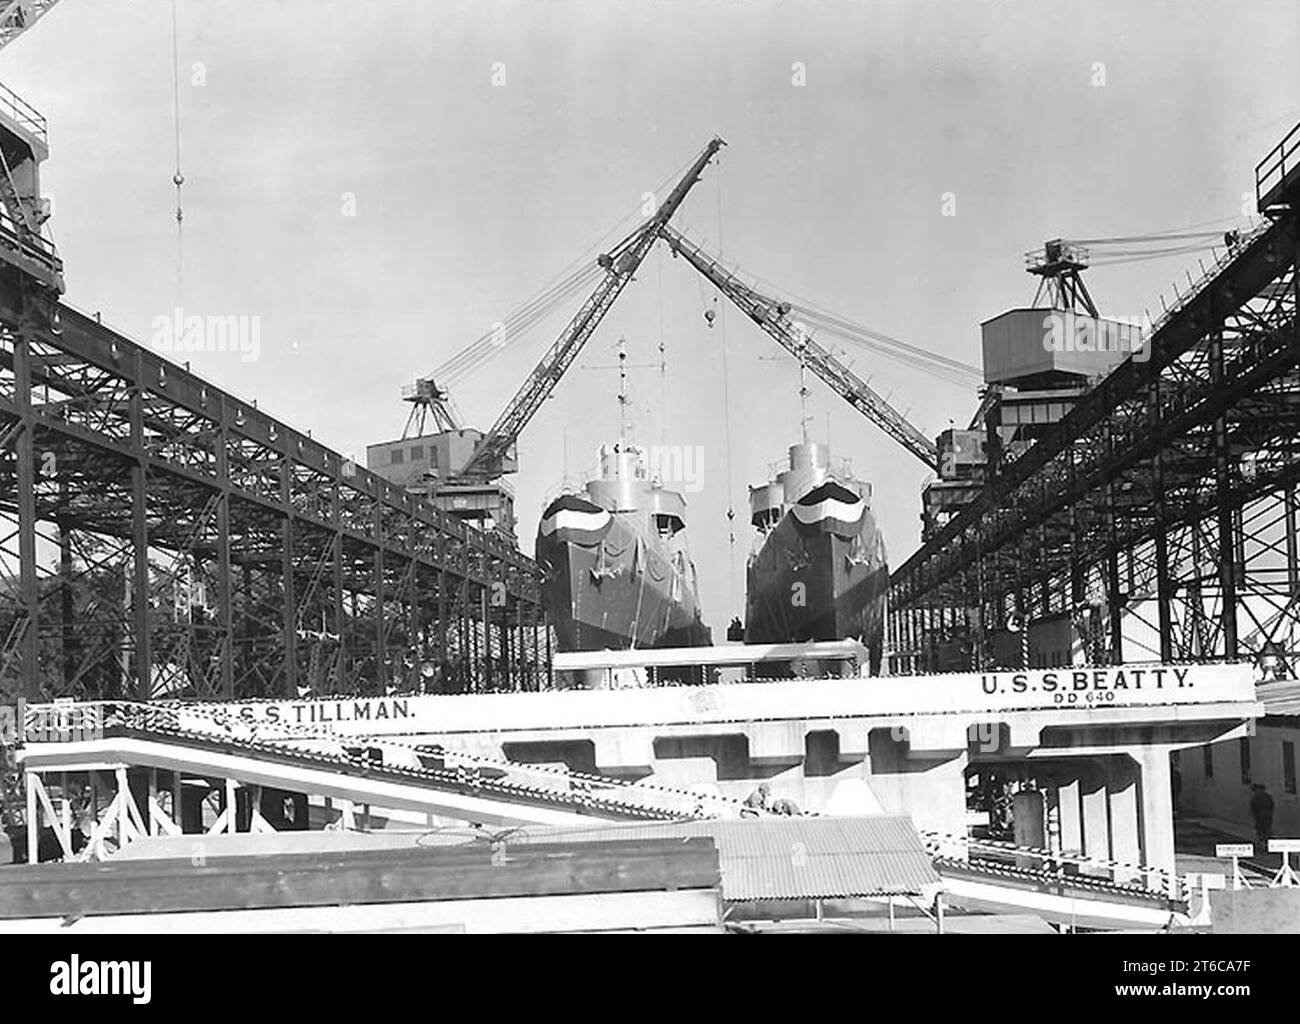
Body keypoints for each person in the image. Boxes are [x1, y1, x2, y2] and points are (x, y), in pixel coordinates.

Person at [1249, 783, 1274, 848]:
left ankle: (1262, 842)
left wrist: (1254, 815)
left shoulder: (1255, 797)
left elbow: (1253, 807)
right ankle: (1268, 842)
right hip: (1268, 815)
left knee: (1260, 828)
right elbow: (1272, 805)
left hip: (1260, 815)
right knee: (1267, 828)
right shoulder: (1268, 796)